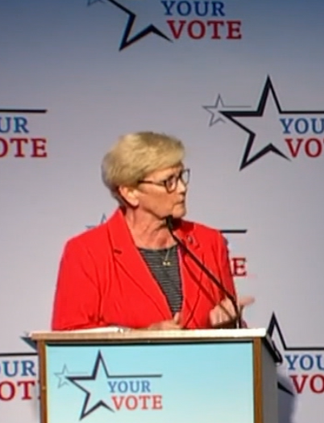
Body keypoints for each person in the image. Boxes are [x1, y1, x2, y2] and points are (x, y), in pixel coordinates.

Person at [51, 132, 252, 331]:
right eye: (168, 181)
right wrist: (143, 337)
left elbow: (233, 336)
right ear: (130, 193)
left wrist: (229, 325)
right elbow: (70, 339)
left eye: (181, 176)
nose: (182, 188)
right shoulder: (87, 252)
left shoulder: (209, 242)